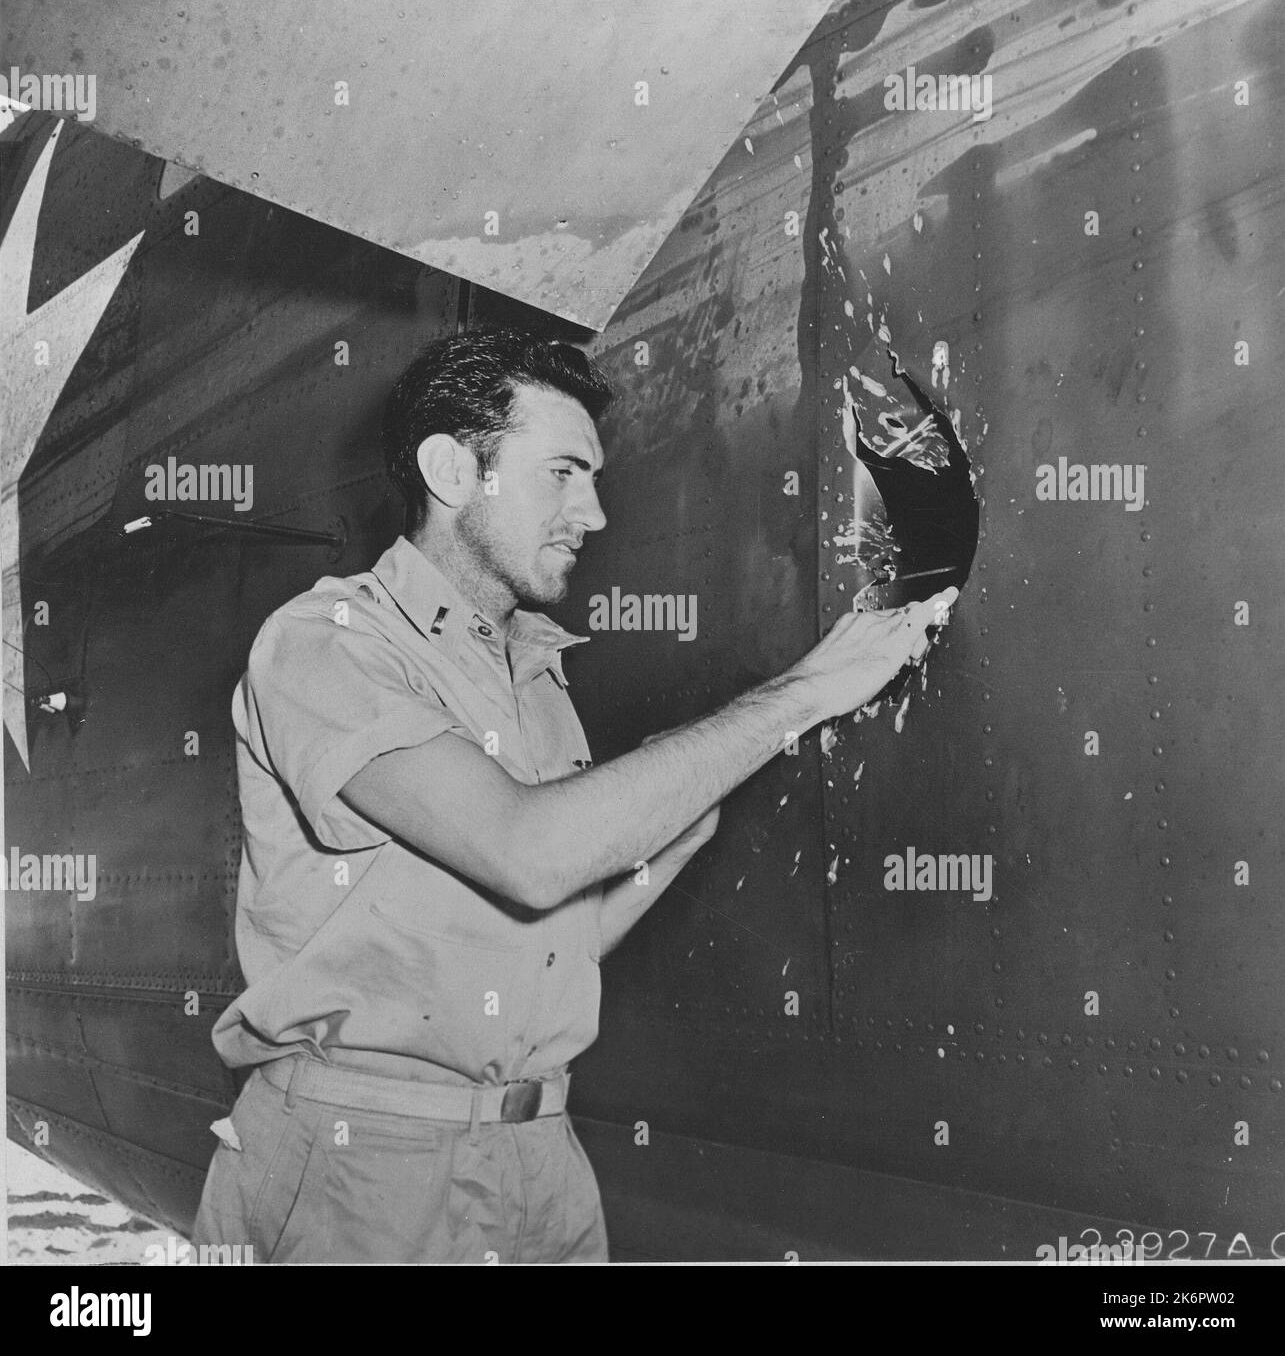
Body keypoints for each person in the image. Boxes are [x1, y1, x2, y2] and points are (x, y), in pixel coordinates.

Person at [191, 326, 957, 1264]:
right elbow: (529, 851)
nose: (592, 514)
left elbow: (553, 938)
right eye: (562, 471)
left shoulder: (532, 666)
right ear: (451, 470)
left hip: (538, 1157)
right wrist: (801, 696)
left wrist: (671, 831)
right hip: (363, 1169)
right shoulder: (326, 642)